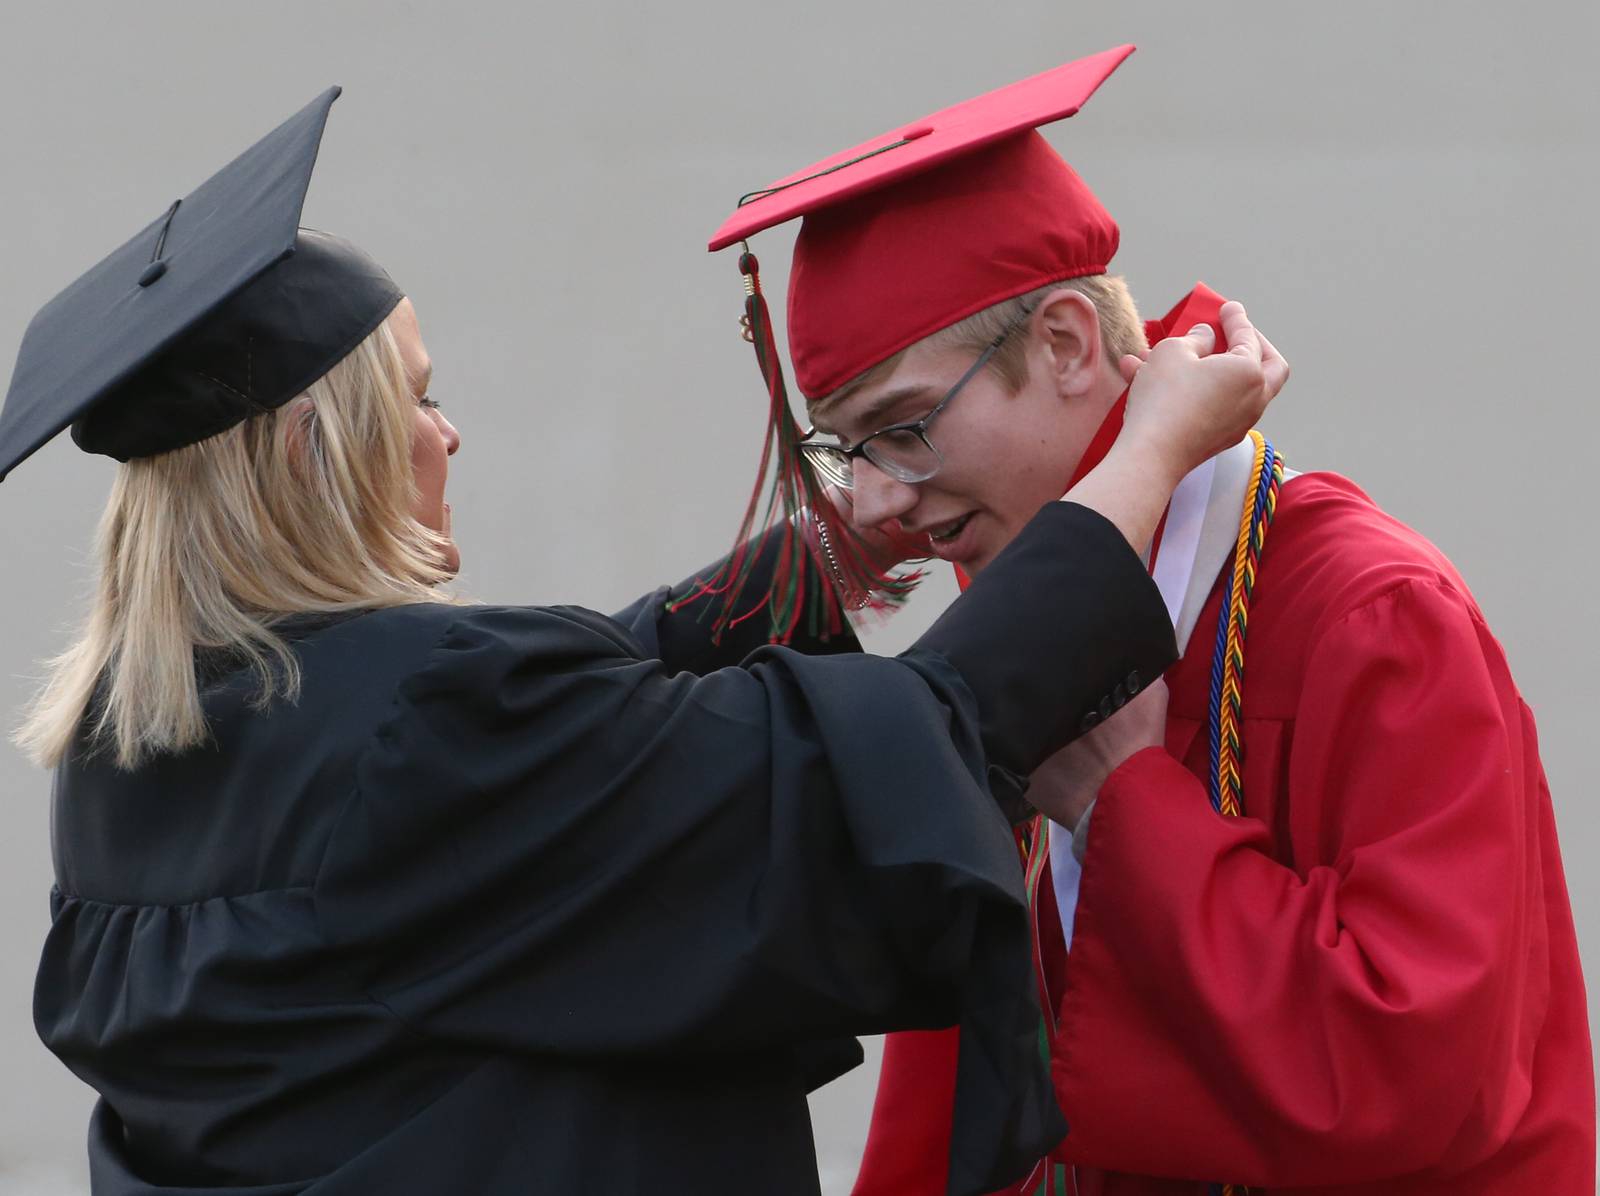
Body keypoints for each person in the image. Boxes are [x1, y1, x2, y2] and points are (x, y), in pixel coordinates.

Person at [0, 90, 1280, 1196]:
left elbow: (565, 732)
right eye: (421, 397)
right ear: (312, 455)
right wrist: (1149, 458)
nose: (449, 437)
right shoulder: (426, 725)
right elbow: (868, 763)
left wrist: (828, 550)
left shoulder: (128, 760)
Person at [703, 44, 1595, 1196]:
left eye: (906, 426)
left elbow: (1421, 1068)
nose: (876, 496)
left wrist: (1123, 807)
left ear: (1068, 342)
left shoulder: (1368, 615)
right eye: (847, 447)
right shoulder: (1016, 632)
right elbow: (953, 1113)